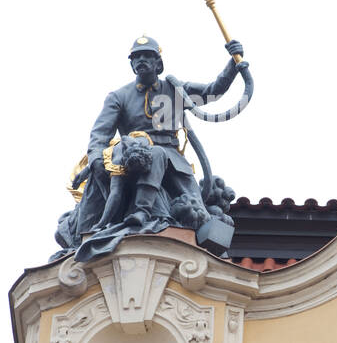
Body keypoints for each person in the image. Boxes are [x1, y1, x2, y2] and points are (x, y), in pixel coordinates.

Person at [75, 35, 245, 237]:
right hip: (134, 156)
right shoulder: (118, 97)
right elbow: (100, 134)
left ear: (158, 63)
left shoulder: (175, 88)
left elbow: (213, 91)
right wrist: (95, 158)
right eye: (136, 57)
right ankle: (136, 214)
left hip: (174, 159)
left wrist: (233, 64)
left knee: (200, 216)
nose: (141, 61)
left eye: (147, 56)